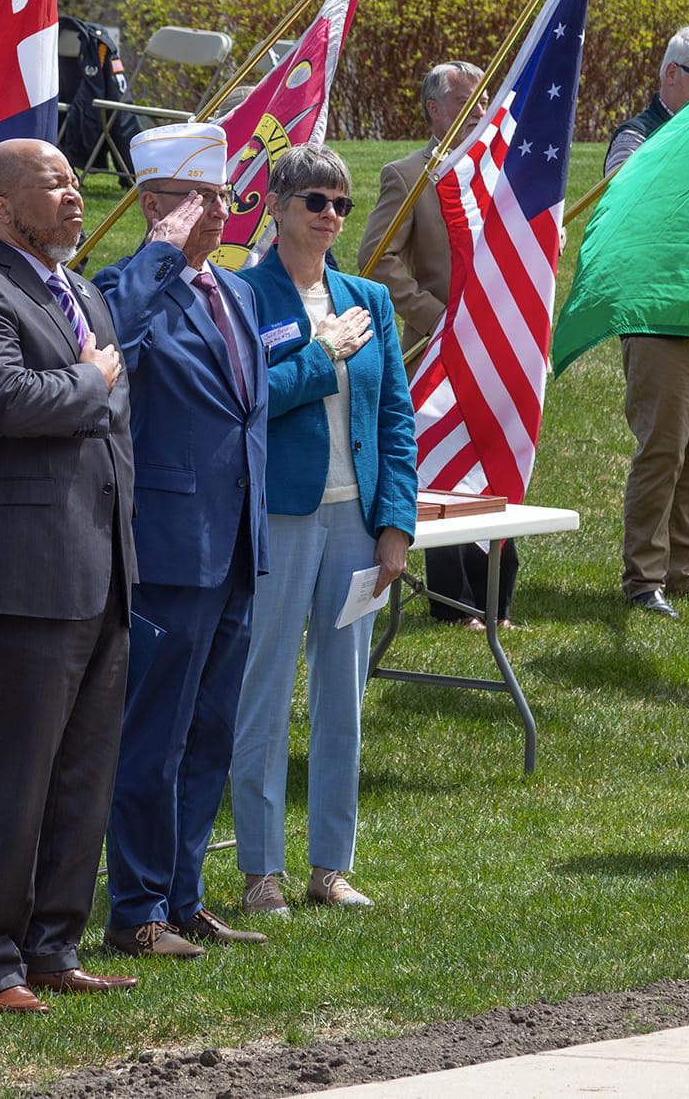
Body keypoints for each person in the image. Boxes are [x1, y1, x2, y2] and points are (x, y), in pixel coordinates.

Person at [0, 139, 139, 1013]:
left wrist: (88, 388)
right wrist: (88, 381)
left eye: (74, 181)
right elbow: (3, 403)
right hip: (25, 577)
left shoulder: (81, 289)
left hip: (106, 566)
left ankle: (54, 945)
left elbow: (115, 404)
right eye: (53, 185)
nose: (75, 195)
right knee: (9, 781)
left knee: (83, 776)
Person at [93, 122, 270, 958]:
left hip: (234, 544)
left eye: (223, 197)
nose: (218, 214)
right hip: (167, 545)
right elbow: (108, 351)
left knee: (210, 733)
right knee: (153, 737)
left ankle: (185, 892)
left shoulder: (233, 292)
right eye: (200, 200)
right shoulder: (125, 286)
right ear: (155, 206)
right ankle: (135, 907)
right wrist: (157, 256)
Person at [231, 144, 416, 915]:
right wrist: (318, 354)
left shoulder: (369, 298)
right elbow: (245, 398)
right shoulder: (242, 296)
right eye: (315, 199)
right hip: (279, 514)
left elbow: (396, 418)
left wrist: (394, 523)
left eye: (340, 202)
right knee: (265, 691)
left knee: (343, 694)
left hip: (355, 520)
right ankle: (260, 869)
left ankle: (331, 865)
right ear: (275, 205)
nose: (331, 215)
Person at [357, 60, 514, 626]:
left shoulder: (502, 173)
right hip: (438, 351)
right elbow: (376, 260)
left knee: (496, 462)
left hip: (497, 350)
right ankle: (453, 603)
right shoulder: (408, 176)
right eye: (467, 100)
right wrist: (438, 317)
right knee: (446, 470)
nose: (480, 110)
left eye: (485, 99)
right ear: (434, 109)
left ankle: (497, 600)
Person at [607, 22, 689, 619]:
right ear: (671, 75)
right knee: (663, 449)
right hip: (659, 318)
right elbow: (631, 208)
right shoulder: (636, 137)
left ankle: (686, 571)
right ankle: (643, 577)